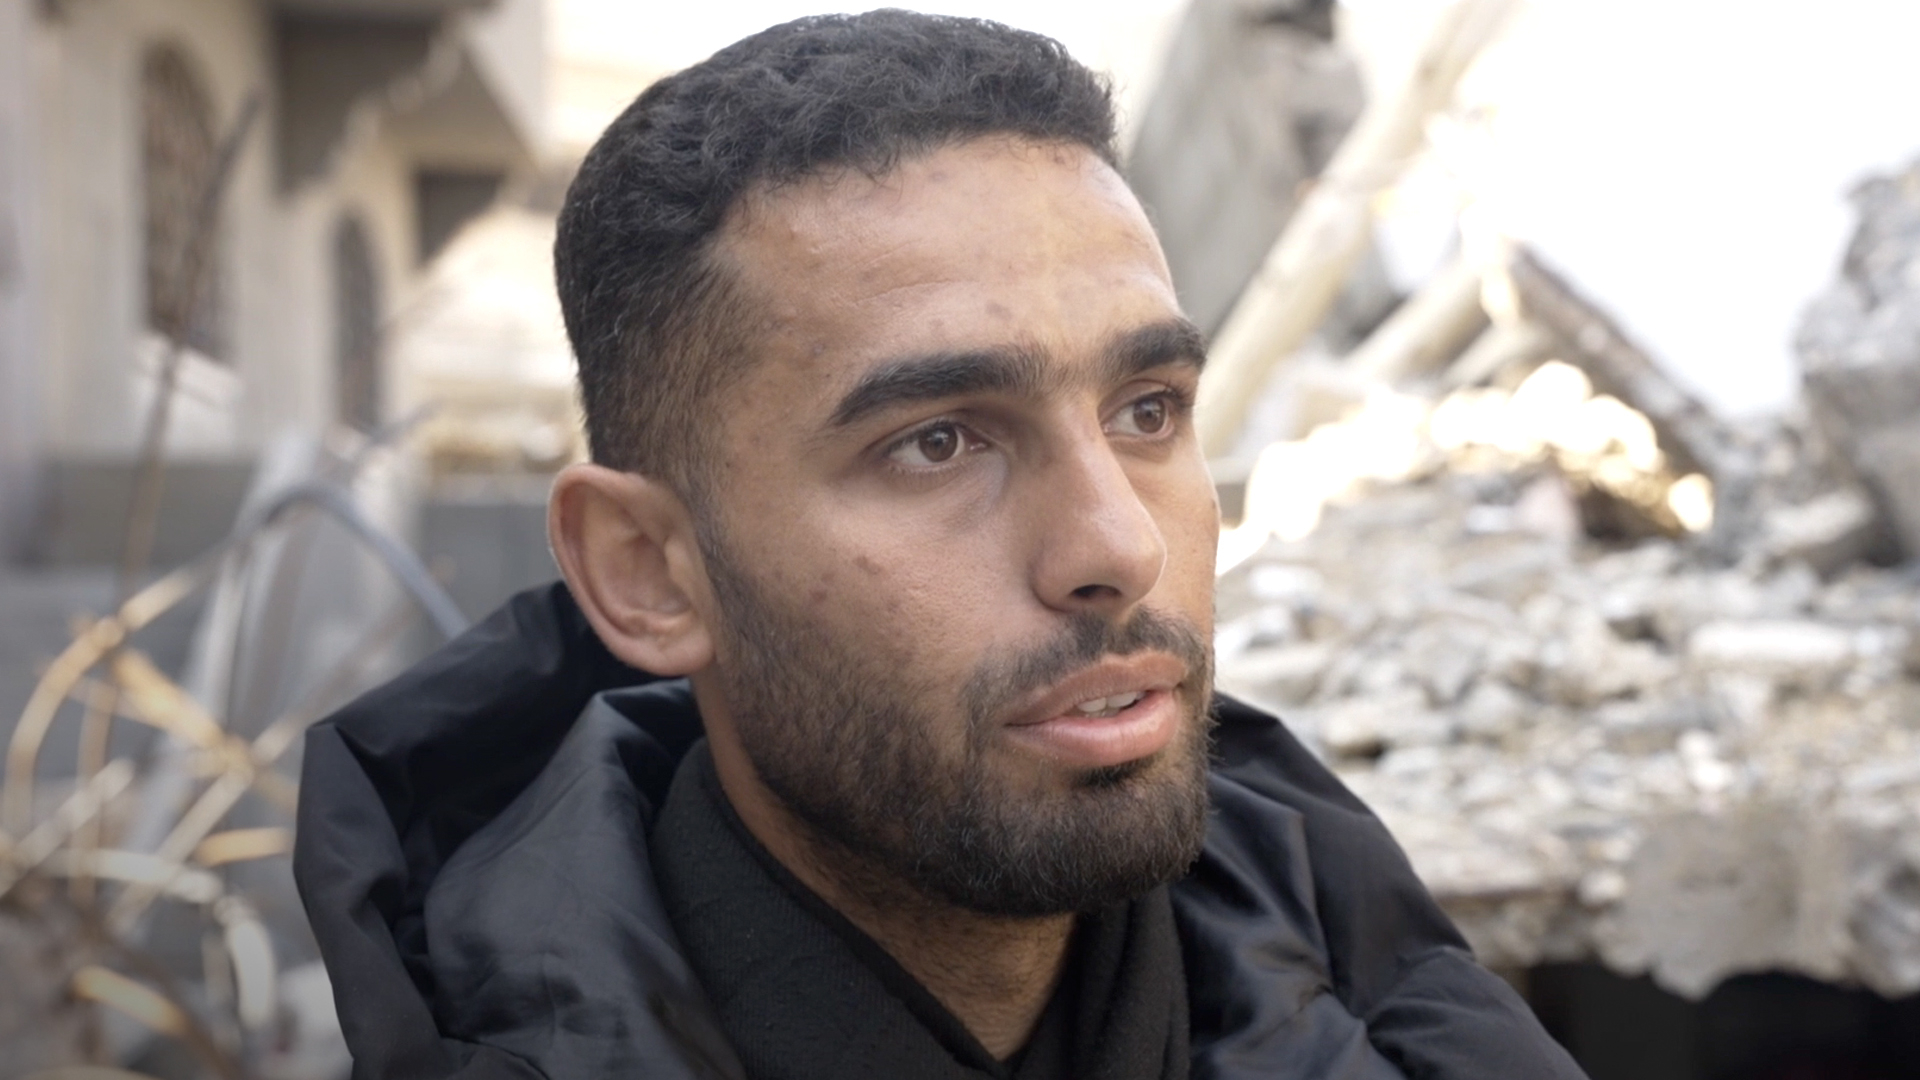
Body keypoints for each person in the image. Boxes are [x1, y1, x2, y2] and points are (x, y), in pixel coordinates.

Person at [294, 11, 1588, 1080]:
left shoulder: (1403, 1030)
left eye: (1148, 411)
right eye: (937, 442)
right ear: (647, 571)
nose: (1119, 545)